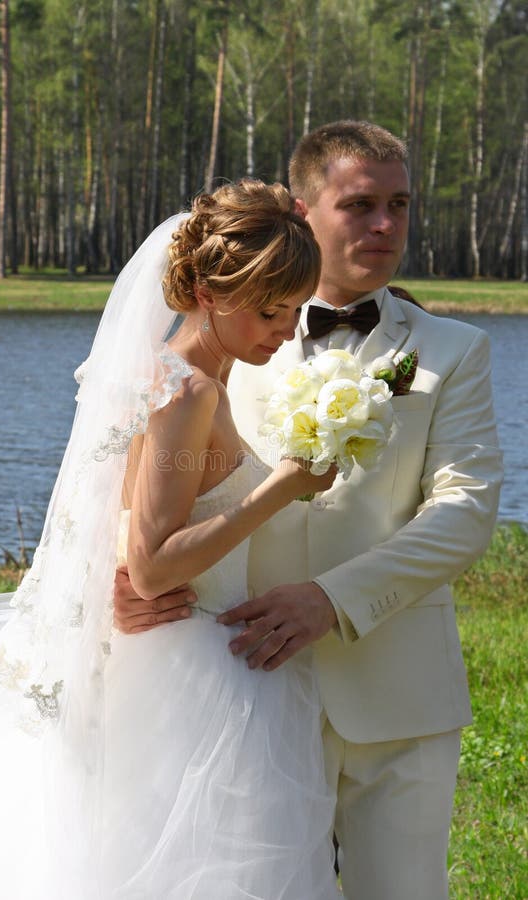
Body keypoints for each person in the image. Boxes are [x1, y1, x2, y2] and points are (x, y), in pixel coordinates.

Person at [114, 121, 503, 900]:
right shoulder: (230, 337)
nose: (386, 224)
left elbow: (465, 511)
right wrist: (123, 578)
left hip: (396, 696)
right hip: (236, 683)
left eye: (400, 204)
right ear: (302, 209)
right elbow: (148, 486)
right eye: (360, 204)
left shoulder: (452, 350)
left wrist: (334, 600)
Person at [0, 180, 343, 899]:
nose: (284, 330)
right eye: (270, 311)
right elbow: (151, 568)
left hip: (178, 651)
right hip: (185, 666)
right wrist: (281, 487)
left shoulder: (178, 376)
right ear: (212, 294)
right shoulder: (188, 394)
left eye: (295, 310)